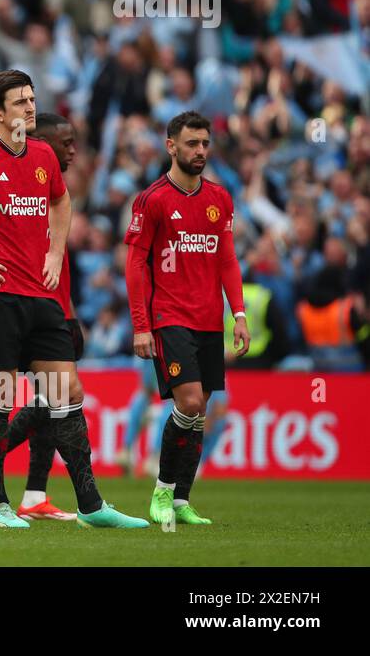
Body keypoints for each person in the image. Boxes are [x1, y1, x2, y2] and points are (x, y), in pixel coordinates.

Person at [0, 69, 146, 529]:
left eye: (32, 99)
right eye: (20, 102)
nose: (30, 108)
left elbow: (61, 202)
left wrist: (56, 251)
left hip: (41, 297)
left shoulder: (42, 153)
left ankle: (91, 505)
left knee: (67, 392)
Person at [124, 111, 250, 527]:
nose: (200, 151)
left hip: (210, 320)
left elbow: (228, 261)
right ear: (171, 146)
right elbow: (136, 264)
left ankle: (181, 501)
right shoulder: (153, 199)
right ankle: (160, 491)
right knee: (190, 402)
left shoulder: (220, 198)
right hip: (169, 315)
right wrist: (141, 324)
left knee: (201, 413)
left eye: (205, 144)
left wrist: (240, 315)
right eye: (192, 143)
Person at [0, 111, 82, 521]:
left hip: (52, 308)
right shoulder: (2, 175)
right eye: (64, 142)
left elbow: (55, 262)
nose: (70, 150)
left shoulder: (50, 187)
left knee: (54, 397)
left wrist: (70, 314)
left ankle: (34, 494)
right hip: (10, 303)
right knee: (38, 398)